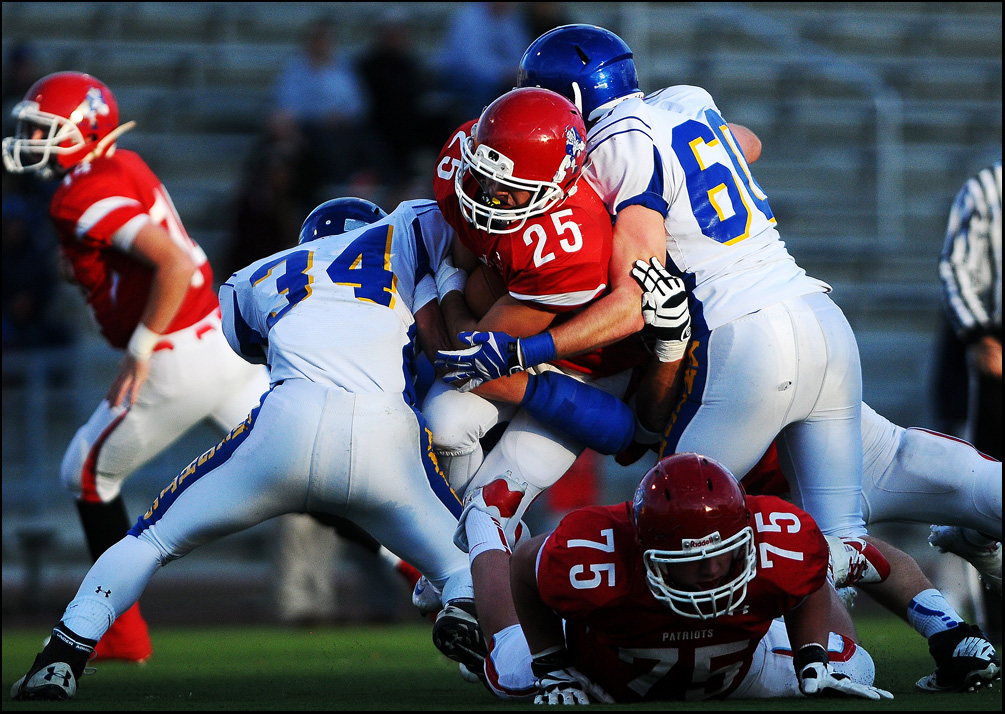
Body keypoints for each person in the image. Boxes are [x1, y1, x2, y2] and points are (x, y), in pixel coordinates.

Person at [436, 24, 1001, 692]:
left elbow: (636, 297)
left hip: (743, 344)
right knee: (840, 533)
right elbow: (744, 144)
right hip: (816, 314)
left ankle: (620, 656)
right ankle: (922, 633)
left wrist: (524, 347)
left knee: (680, 520)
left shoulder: (614, 147)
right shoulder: (683, 100)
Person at [9, 196, 476, 701]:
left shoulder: (252, 276)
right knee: (471, 563)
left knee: (152, 538)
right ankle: (489, 640)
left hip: (283, 430)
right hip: (384, 438)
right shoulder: (407, 252)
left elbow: (249, 344)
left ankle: (62, 656)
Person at [2, 71, 270, 664]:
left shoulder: (78, 193)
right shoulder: (121, 164)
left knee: (86, 470)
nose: (31, 139)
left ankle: (119, 631)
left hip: (178, 358)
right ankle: (438, 578)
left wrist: (140, 348)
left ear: (85, 129)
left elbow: (171, 264)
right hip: (221, 346)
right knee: (321, 474)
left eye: (44, 129)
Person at [493, 452, 892, 702]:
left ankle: (834, 560)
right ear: (646, 550)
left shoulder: (776, 540)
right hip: (595, 672)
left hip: (740, 670)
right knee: (502, 668)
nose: (715, 570)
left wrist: (811, 656)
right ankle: (485, 525)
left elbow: (803, 580)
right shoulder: (598, 555)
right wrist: (552, 666)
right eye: (693, 559)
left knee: (855, 668)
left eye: (725, 554)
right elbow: (525, 568)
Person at [931, 159, 1002, 637]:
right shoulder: (989, 187)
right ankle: (994, 618)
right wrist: (981, 335)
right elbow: (955, 267)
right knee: (990, 488)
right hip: (996, 353)